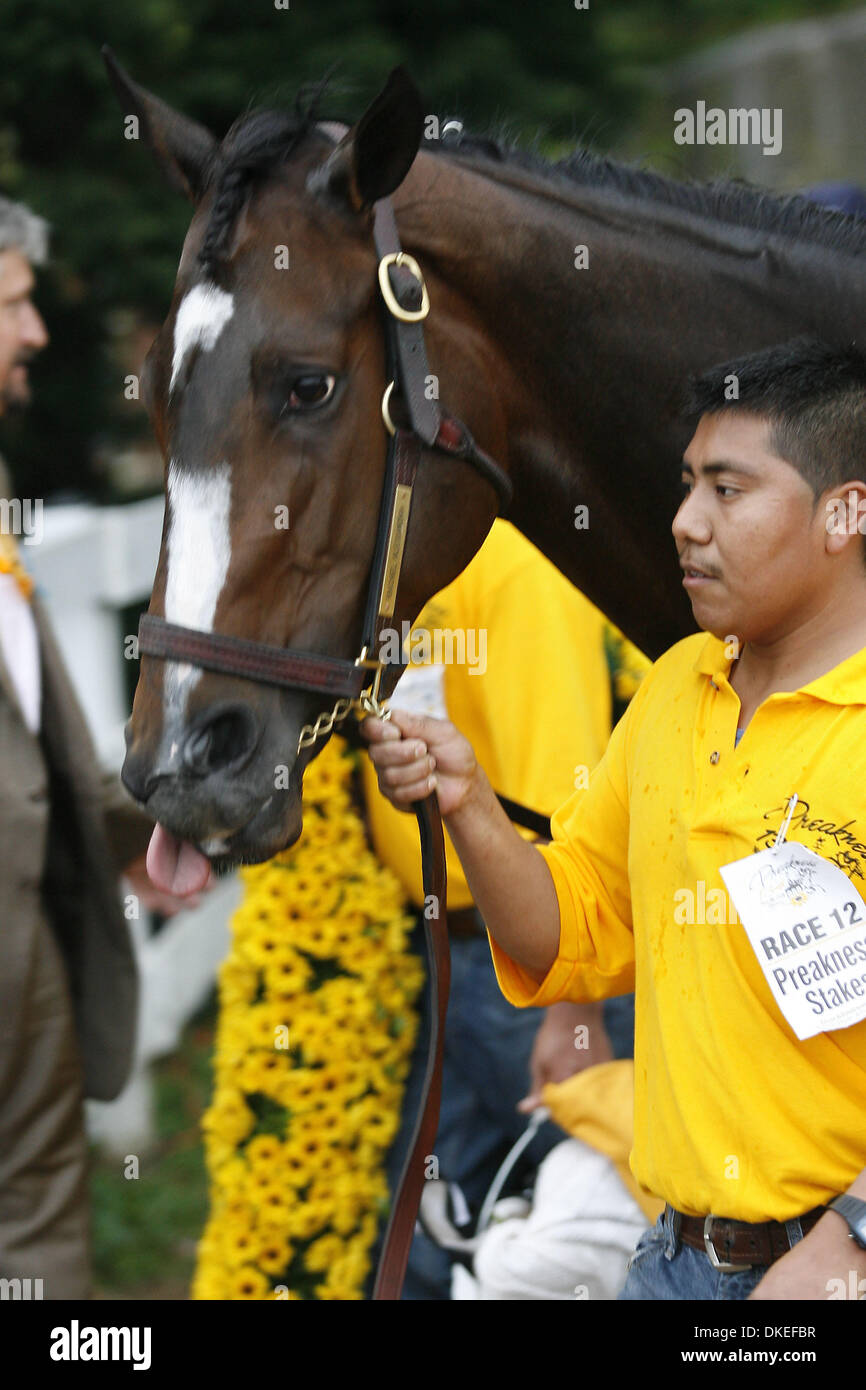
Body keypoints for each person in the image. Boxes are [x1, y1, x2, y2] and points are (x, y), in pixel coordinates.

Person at [363, 336, 866, 1301]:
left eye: (729, 490)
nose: (683, 522)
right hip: (670, 1259)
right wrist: (467, 804)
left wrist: (845, 1243)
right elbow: (572, 925)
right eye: (687, 486)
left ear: (845, 513)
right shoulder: (680, 683)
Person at [361, 518, 647, 1298]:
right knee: (448, 1211)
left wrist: (571, 1014)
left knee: (573, 1224)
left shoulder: (517, 564)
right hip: (444, 954)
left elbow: (569, 810)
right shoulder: (406, 560)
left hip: (526, 968)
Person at [0, 194, 191, 1298]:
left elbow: (31, 712)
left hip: (32, 937)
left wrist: (134, 828)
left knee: (38, 1220)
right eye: (16, 306)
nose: (36, 333)